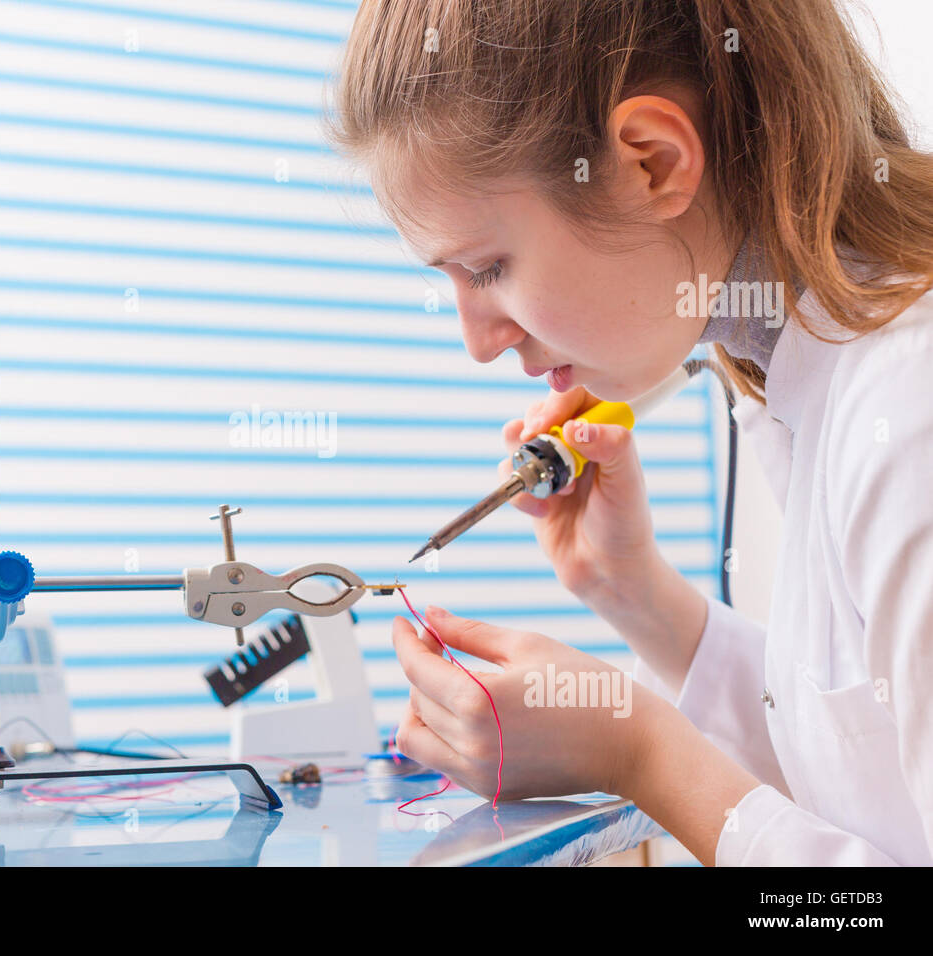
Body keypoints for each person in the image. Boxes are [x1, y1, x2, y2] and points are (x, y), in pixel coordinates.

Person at [324, 0, 933, 865]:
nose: (477, 342)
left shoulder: (910, 402)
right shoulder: (800, 375)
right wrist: (633, 590)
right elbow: (859, 786)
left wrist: (636, 753)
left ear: (652, 163)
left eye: (487, 268)